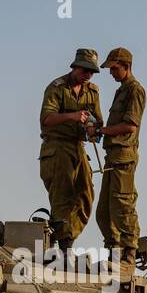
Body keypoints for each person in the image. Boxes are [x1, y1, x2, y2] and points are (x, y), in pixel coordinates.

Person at [38, 48, 103, 250]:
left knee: (86, 195)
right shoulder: (57, 87)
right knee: (62, 195)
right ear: (75, 67)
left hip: (79, 146)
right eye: (85, 70)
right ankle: (63, 244)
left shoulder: (92, 91)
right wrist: (72, 116)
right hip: (57, 145)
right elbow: (46, 119)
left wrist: (93, 130)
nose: (88, 76)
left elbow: (97, 121)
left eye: (92, 72)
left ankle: (67, 237)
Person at [95, 47, 146, 270]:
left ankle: (129, 254)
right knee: (104, 212)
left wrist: (104, 131)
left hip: (124, 158)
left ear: (127, 67)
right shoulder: (122, 90)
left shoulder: (135, 90)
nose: (111, 73)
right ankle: (114, 252)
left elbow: (130, 126)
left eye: (114, 68)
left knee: (123, 206)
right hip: (112, 157)